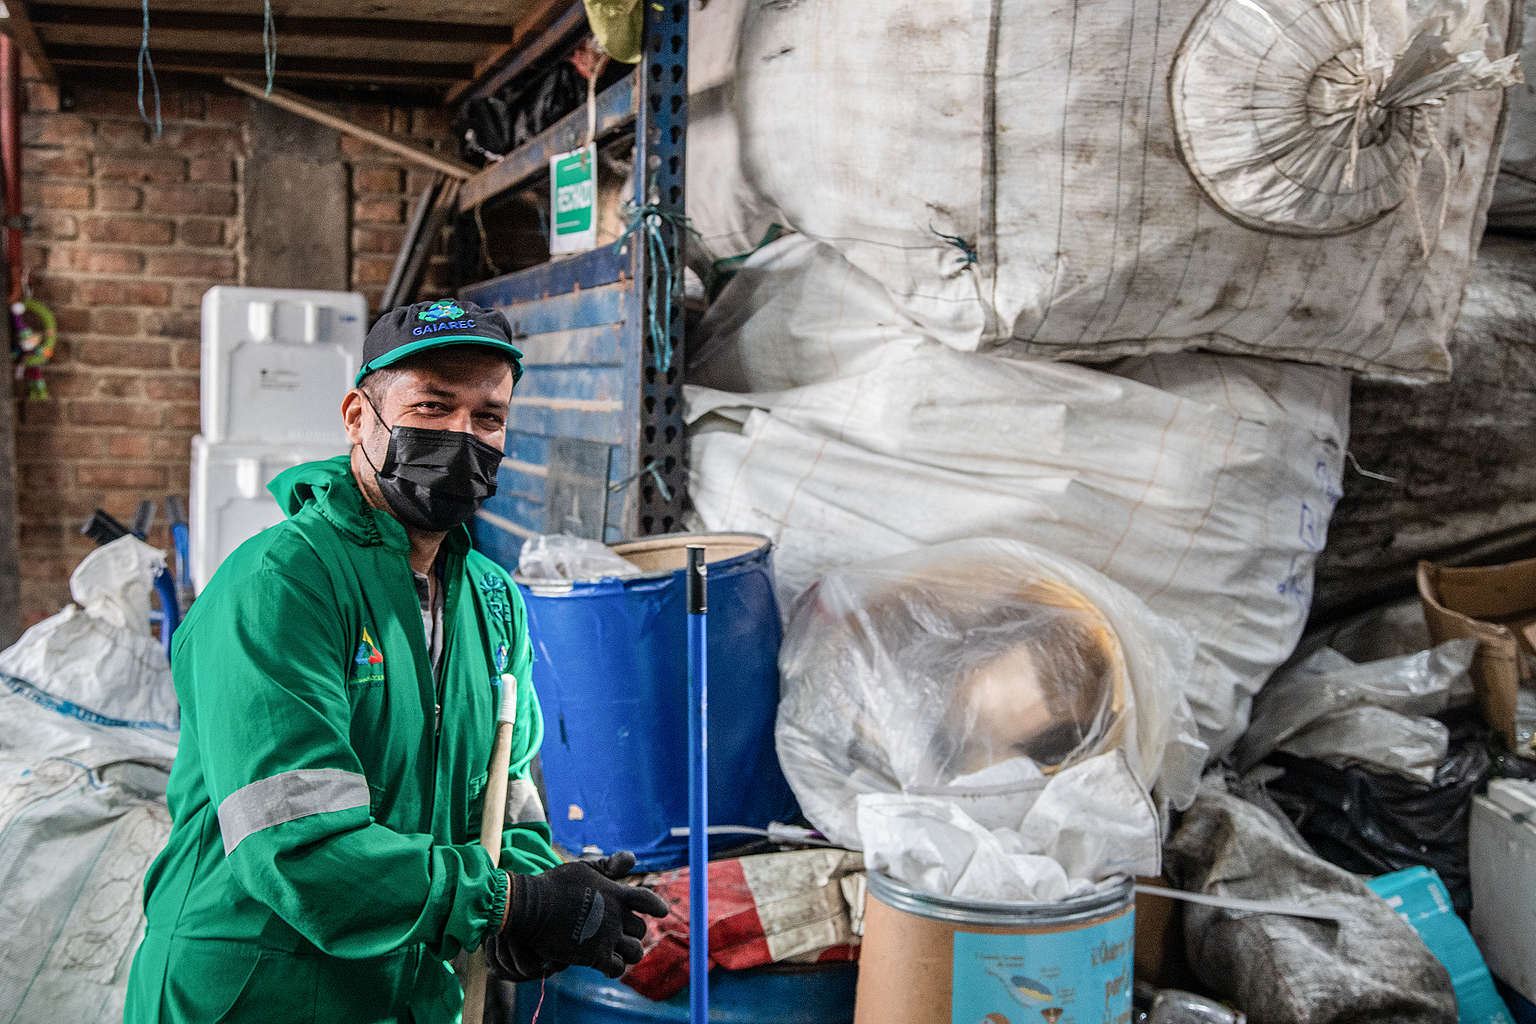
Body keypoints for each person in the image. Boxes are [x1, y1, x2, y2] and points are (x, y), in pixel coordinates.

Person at [125, 298, 668, 1023]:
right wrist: (507, 902)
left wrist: (536, 891)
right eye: (433, 407)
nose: (463, 435)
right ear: (358, 417)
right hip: (254, 990)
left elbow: (503, 795)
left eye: (488, 417)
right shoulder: (282, 584)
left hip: (403, 994)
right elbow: (298, 848)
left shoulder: (493, 600)